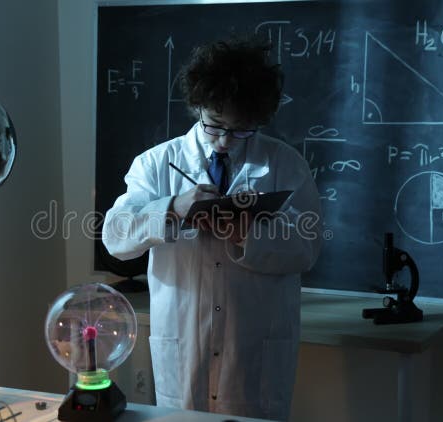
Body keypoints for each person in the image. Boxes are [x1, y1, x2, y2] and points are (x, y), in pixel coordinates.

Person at [102, 35, 321, 421]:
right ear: (197, 106)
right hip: (184, 344)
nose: (223, 141)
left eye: (240, 130)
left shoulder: (285, 164)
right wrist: (173, 209)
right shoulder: (156, 164)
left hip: (254, 349)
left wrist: (244, 233)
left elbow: (307, 248)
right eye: (215, 125)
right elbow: (115, 237)